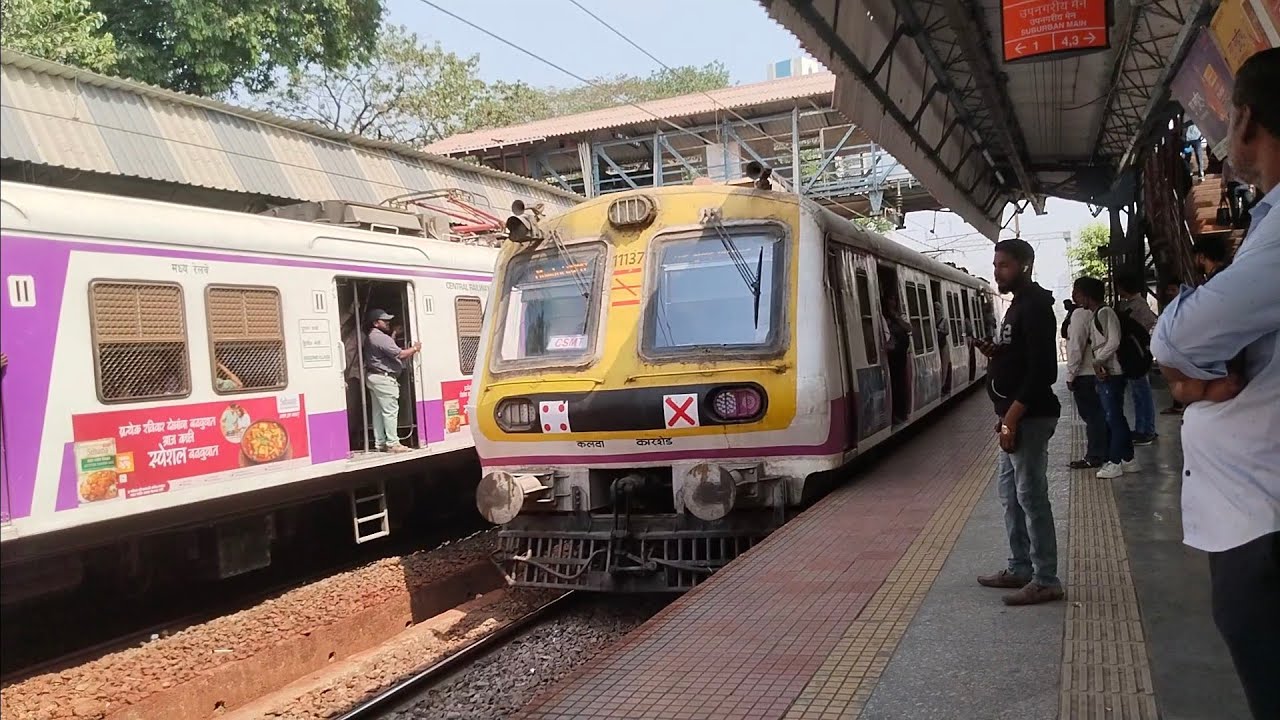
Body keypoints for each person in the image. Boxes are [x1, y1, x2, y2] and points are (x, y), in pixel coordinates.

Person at [1149, 48, 1280, 720]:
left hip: (1265, 525)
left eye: (1229, 114)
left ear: (1250, 118)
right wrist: (1195, 388)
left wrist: (1186, 366)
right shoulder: (1263, 224)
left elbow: (1176, 340)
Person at [973, 238, 1063, 606]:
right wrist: (998, 354)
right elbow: (1022, 357)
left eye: (1005, 265)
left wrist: (1012, 417)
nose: (997, 271)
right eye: (995, 264)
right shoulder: (1016, 308)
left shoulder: (1037, 307)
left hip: (1031, 415)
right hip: (1012, 415)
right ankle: (1020, 566)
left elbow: (1044, 370)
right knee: (1010, 495)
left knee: (1031, 496)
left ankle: (1046, 578)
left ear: (1025, 265)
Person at [1074, 277, 1140, 479]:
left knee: (1113, 418)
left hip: (1113, 373)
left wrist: (1097, 362)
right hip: (1108, 371)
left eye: (1077, 292)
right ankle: (1129, 458)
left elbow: (1114, 341)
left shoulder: (1104, 312)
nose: (1074, 297)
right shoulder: (1097, 313)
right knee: (1115, 416)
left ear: (1087, 294)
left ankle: (1114, 461)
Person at [363, 308, 422, 453]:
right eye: (385, 320)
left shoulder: (373, 336)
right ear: (376, 323)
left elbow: (388, 350)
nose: (388, 322)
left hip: (374, 377)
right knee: (390, 411)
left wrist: (394, 334)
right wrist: (415, 348)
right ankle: (393, 443)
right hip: (384, 378)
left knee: (378, 411)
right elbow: (400, 354)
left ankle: (380, 442)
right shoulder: (380, 337)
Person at [1063, 288, 1107, 469]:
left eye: (1077, 292)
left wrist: (1070, 374)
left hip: (1085, 374)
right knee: (1101, 415)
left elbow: (1076, 345)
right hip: (1098, 371)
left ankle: (1095, 455)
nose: (1074, 296)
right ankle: (1107, 452)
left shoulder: (1081, 314)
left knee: (1092, 417)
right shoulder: (1102, 311)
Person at [1115, 273, 1158, 445]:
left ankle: (1147, 430)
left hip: (1137, 353)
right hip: (1133, 353)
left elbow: (1148, 322)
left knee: (1142, 393)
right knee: (1138, 393)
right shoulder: (1129, 305)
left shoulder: (1139, 305)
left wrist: (1136, 335)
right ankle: (1142, 428)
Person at [882, 294, 912, 425]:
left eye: (893, 299)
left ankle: (901, 412)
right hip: (891, 355)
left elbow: (908, 328)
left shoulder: (900, 315)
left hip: (901, 355)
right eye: (889, 299)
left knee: (900, 383)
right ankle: (896, 413)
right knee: (895, 383)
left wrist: (895, 317)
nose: (891, 302)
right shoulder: (883, 317)